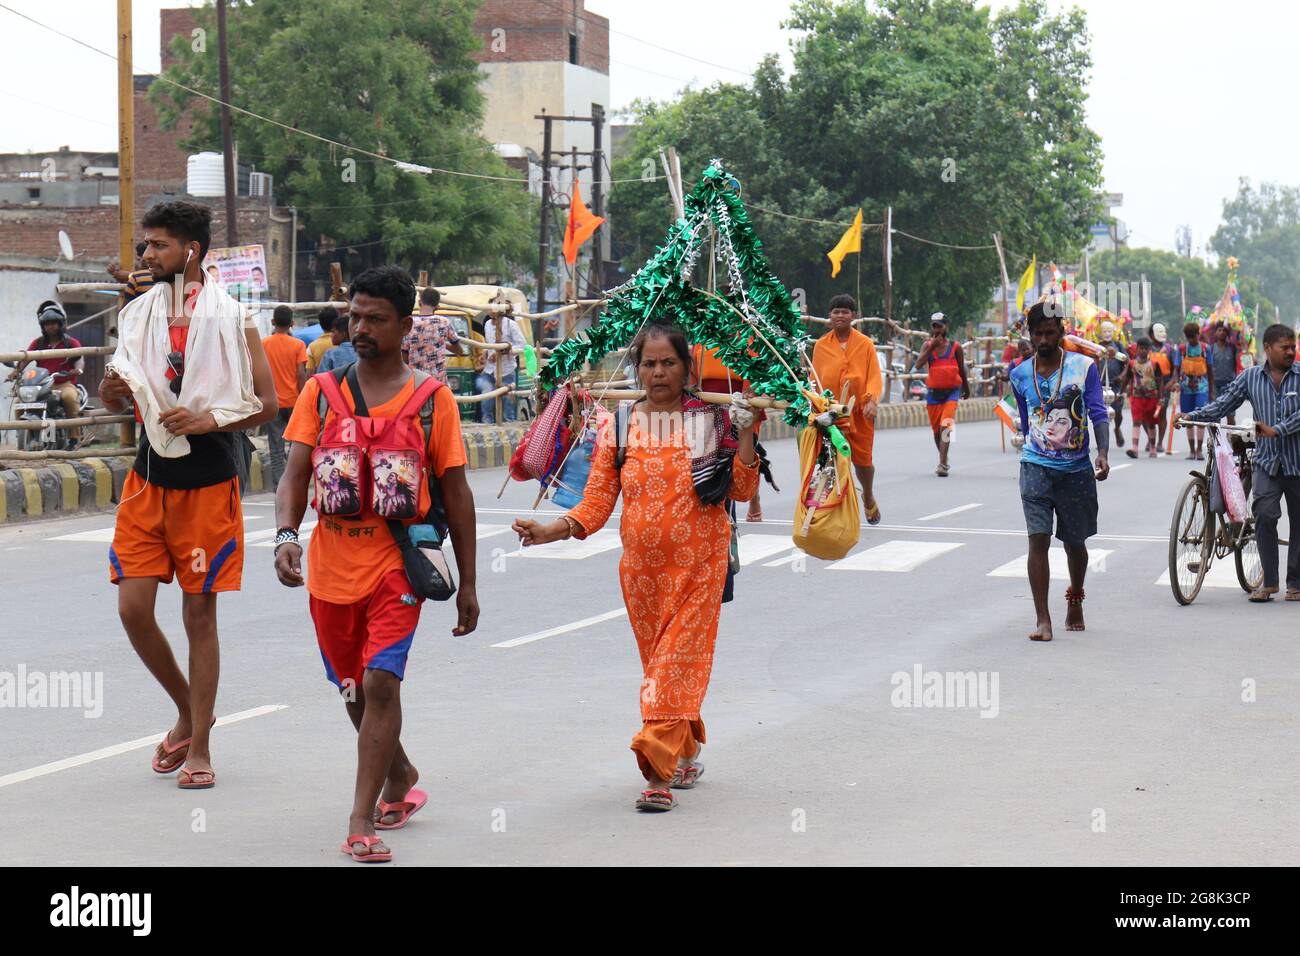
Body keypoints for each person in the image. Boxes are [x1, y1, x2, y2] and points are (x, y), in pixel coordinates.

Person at [274, 265, 479, 862]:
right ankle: (401, 771)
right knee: (351, 690)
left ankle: (360, 821)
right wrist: (287, 533)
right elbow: (294, 473)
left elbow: (457, 493)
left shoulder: (431, 401)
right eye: (355, 316)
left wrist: (468, 583)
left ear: (405, 326)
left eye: (375, 319)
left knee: (380, 682)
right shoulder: (322, 391)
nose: (359, 327)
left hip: (397, 564)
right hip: (331, 561)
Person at [512, 322, 759, 812]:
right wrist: (552, 530)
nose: (659, 371)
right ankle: (685, 752)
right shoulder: (619, 425)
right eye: (649, 363)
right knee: (664, 670)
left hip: (700, 569)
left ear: (688, 367)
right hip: (641, 575)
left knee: (670, 671)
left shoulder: (711, 420)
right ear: (637, 368)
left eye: (669, 362)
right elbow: (598, 501)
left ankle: (657, 772)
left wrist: (748, 432)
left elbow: (742, 491)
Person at [98, 200, 277, 789]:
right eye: (146, 245)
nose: (146, 255)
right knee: (132, 609)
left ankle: (199, 746)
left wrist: (207, 422)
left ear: (191, 252)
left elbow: (267, 405)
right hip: (147, 481)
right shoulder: (136, 316)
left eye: (157, 246)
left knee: (200, 615)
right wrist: (111, 393)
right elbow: (118, 398)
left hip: (206, 484)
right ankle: (187, 708)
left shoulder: (235, 318)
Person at [1009, 301, 1110, 642]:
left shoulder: (1085, 367)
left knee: (1074, 543)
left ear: (1062, 333)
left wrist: (1103, 453)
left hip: (1076, 470)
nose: (1043, 339)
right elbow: (1026, 421)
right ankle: (1042, 619)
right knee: (1037, 539)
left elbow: (1098, 412)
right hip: (1035, 466)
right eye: (1037, 333)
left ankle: (1075, 597)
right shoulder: (1019, 374)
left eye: (1050, 333)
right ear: (1029, 335)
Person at [1177, 324, 1300, 602]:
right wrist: (1192, 415)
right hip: (1267, 462)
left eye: (1292, 346)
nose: (1291, 351)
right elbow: (1223, 404)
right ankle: (1269, 582)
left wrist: (1277, 429)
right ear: (1267, 348)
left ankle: (1295, 582)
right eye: (1285, 347)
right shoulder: (1251, 377)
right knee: (1265, 515)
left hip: (1297, 462)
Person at [812, 294, 883, 523]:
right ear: (829, 316)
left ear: (854, 316)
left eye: (845, 311)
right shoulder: (821, 346)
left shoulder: (865, 344)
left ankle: (868, 495)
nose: (840, 315)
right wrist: (813, 405)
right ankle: (834, 508)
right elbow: (815, 379)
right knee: (830, 460)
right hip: (831, 414)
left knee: (863, 462)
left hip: (859, 413)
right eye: (836, 311)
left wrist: (872, 401)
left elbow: (874, 376)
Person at [692, 339, 768, 522]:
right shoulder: (702, 338)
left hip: (737, 407)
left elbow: (753, 377)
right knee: (707, 464)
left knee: (741, 457)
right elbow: (693, 375)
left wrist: (745, 405)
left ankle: (750, 500)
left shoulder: (747, 339)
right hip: (705, 408)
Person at [7, 301, 85, 448]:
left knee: (69, 397)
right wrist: (15, 372)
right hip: (41, 384)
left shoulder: (71, 342)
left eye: (53, 323)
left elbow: (80, 358)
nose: (50, 326)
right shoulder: (38, 343)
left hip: (63, 383)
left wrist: (77, 369)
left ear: (60, 323)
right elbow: (26, 358)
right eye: (47, 323)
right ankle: (23, 433)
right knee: (19, 401)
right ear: (42, 326)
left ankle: (74, 438)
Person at [912, 312, 969, 476]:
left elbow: (961, 369)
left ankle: (942, 464)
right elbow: (918, 364)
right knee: (937, 431)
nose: (937, 328)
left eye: (940, 325)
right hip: (933, 394)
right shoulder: (927, 346)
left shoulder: (955, 347)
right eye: (934, 325)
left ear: (946, 327)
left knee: (946, 426)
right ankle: (944, 457)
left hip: (952, 393)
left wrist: (967, 388)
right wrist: (931, 347)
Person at [261, 305, 308, 489]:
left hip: (273, 402)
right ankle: (294, 481)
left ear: (273, 322)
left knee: (276, 446)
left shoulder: (264, 343)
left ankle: (279, 485)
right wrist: (304, 397)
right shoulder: (298, 345)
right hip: (294, 401)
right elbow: (301, 374)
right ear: (292, 323)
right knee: (296, 445)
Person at [404, 286, 464, 385]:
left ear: (419, 302)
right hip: (438, 381)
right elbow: (459, 351)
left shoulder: (410, 323)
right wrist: (441, 343)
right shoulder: (444, 322)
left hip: (416, 381)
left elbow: (404, 355)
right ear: (437, 306)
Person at [476, 311, 527, 423]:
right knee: (487, 394)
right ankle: (487, 424)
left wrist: (502, 351)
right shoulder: (488, 324)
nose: (491, 310)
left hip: (506, 370)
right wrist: (486, 354)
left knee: (507, 402)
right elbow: (489, 344)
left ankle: (510, 425)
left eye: (493, 307)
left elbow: (522, 344)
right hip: (490, 369)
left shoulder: (510, 324)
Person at [1175, 321, 1212, 460]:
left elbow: (1210, 369)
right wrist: (1176, 383)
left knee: (1200, 417)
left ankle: (1199, 450)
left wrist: (1211, 390)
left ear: (1198, 335)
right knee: (1188, 418)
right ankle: (1191, 451)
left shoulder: (1205, 349)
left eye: (1193, 337)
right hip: (1185, 389)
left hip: (1202, 388)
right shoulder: (1182, 349)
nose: (1192, 340)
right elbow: (1176, 368)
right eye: (1189, 337)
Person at [1126, 337, 1165, 459]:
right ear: (1136, 349)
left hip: (1152, 398)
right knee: (1136, 422)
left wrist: (1161, 397)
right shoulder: (1132, 364)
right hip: (1137, 397)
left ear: (1149, 350)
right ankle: (1135, 449)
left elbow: (1160, 382)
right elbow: (1127, 379)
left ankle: (1153, 448)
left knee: (1151, 424)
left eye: (1145, 348)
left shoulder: (1154, 364)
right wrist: (1121, 393)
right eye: (1140, 348)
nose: (1143, 351)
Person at [1098, 321, 1130, 448]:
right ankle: (1102, 440)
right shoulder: (1098, 347)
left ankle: (1117, 428)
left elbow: (1127, 361)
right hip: (1101, 384)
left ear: (1114, 332)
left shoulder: (1118, 346)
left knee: (1117, 411)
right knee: (1101, 413)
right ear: (1100, 333)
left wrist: (1122, 376)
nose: (1107, 334)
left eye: (1109, 331)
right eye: (1104, 331)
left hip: (1116, 384)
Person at [1148, 322, 1176, 453]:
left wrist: (1172, 381)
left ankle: (1159, 442)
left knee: (1162, 413)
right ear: (1152, 335)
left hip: (1164, 384)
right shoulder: (1146, 349)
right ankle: (1151, 438)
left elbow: (1176, 368)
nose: (1162, 334)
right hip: (1149, 385)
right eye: (1158, 331)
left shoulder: (1170, 350)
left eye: (1163, 331)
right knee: (1148, 413)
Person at [1208, 322, 1242, 426]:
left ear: (1227, 333)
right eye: (1219, 330)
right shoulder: (1211, 348)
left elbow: (1239, 362)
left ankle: (1232, 440)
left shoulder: (1232, 348)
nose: (1222, 332)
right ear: (1215, 333)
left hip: (1230, 385)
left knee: (1231, 416)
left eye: (1224, 330)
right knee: (1215, 416)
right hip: (1215, 385)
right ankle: (1216, 441)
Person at [305, 307, 338, 373]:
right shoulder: (343, 343)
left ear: (320, 324)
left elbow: (309, 373)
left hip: (322, 382)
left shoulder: (312, 346)